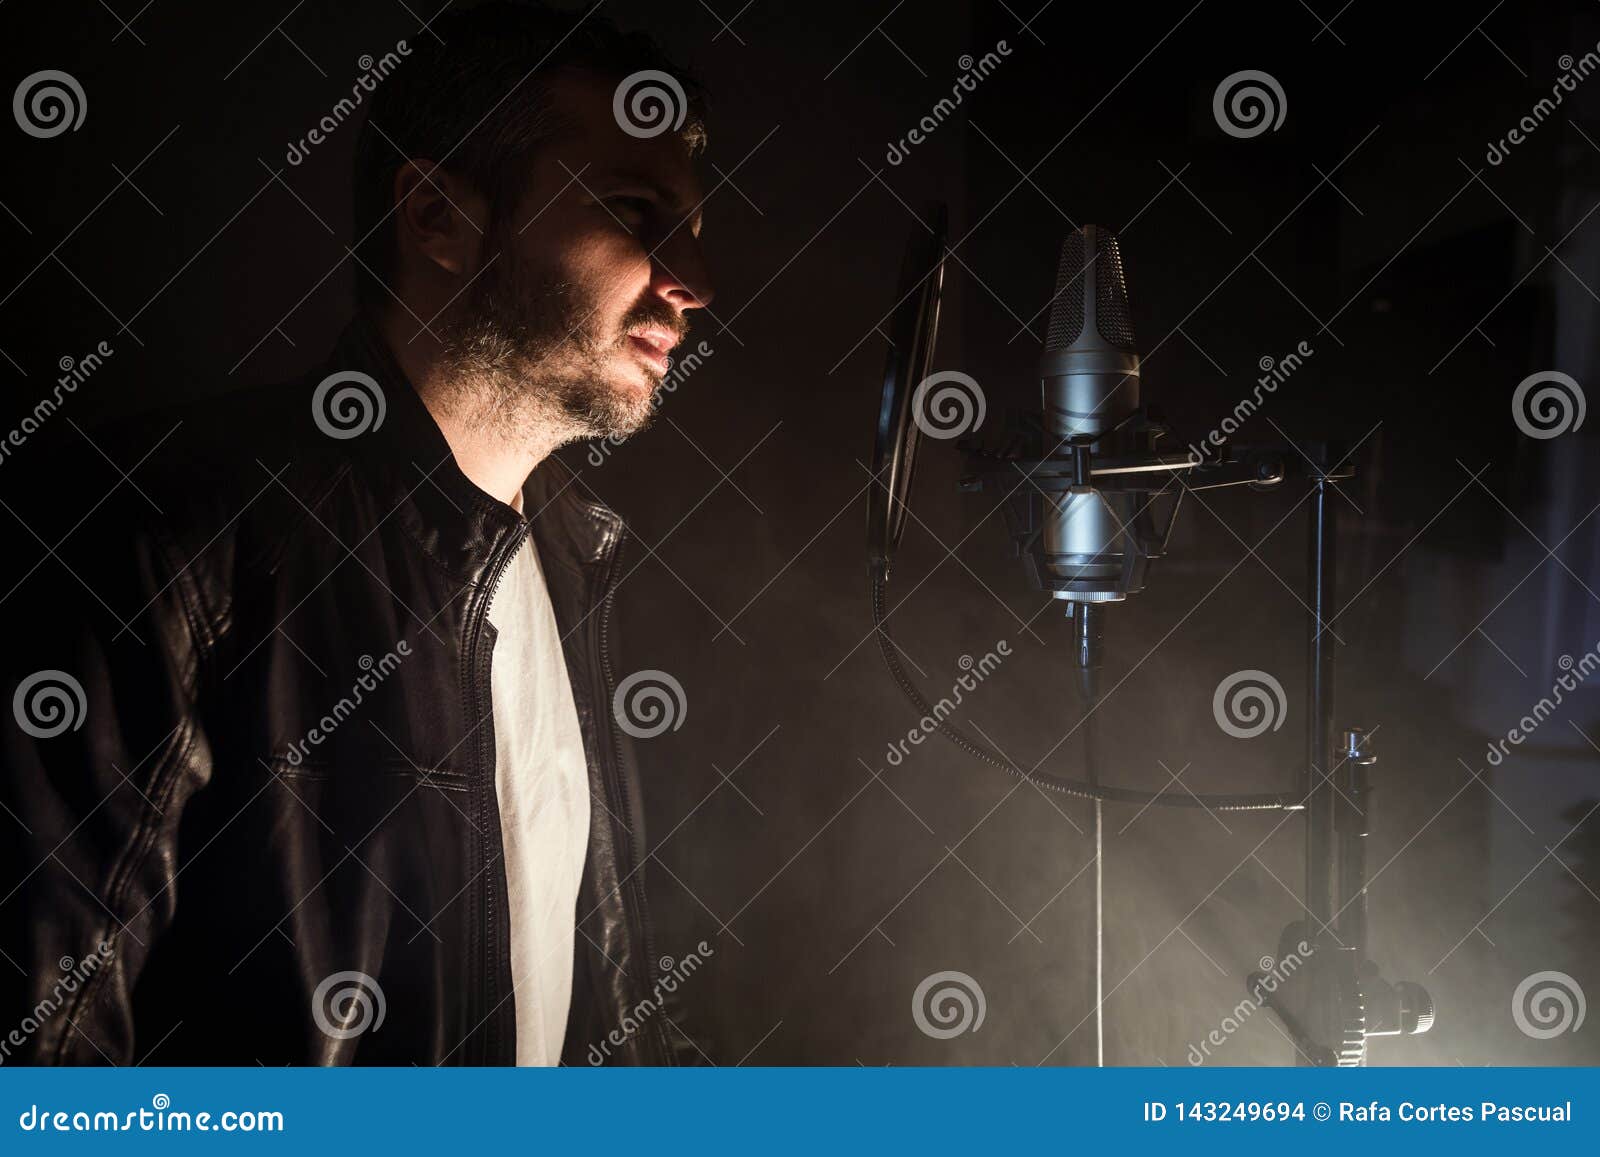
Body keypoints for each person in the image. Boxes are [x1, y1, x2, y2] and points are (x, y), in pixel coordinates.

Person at [0, 0, 714, 1065]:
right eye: (631, 211)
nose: (692, 283)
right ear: (435, 216)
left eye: (690, 232)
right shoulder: (172, 530)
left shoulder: (576, 563)